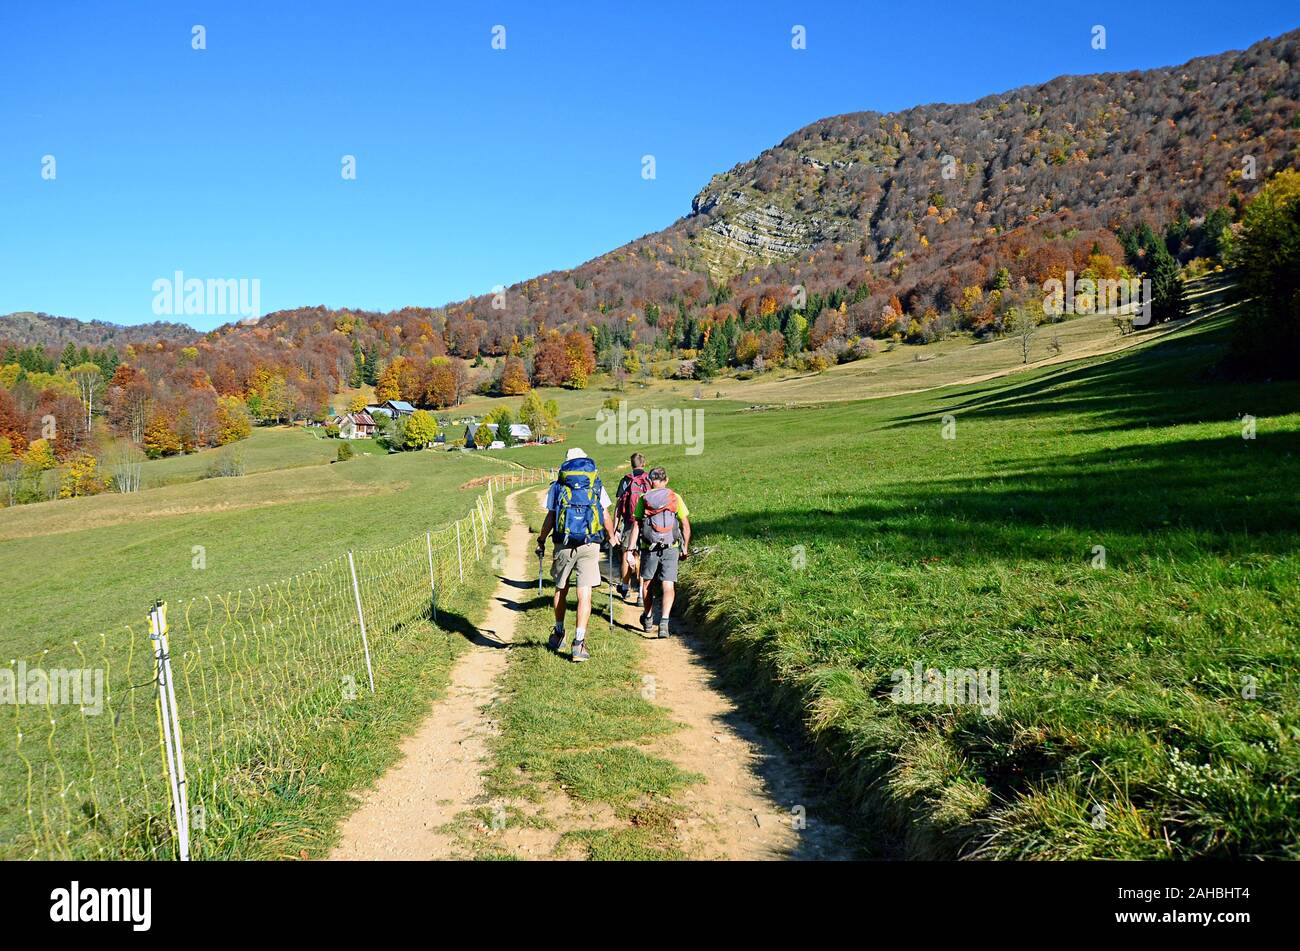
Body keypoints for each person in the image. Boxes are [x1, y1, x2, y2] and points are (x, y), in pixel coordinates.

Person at [536, 447, 615, 662]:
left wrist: (541, 539)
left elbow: (551, 517)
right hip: (590, 543)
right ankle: (579, 644)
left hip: (564, 542)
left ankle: (559, 632)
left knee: (561, 588)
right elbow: (605, 513)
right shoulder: (595, 483)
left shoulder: (558, 486)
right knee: (585, 593)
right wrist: (612, 536)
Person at [627, 466, 691, 639]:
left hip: (649, 547)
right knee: (668, 584)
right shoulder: (674, 497)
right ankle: (664, 622)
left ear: (650, 481)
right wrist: (685, 546)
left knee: (647, 583)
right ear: (666, 480)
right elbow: (685, 524)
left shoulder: (643, 498)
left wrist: (630, 549)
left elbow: (637, 525)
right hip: (671, 546)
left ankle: (648, 617)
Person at [612, 452, 651, 605]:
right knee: (642, 556)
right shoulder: (649, 479)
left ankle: (625, 588)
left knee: (627, 554)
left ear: (631, 464)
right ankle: (641, 594)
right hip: (646, 523)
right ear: (644, 463)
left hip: (629, 522)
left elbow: (618, 506)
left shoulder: (626, 480)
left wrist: (614, 528)